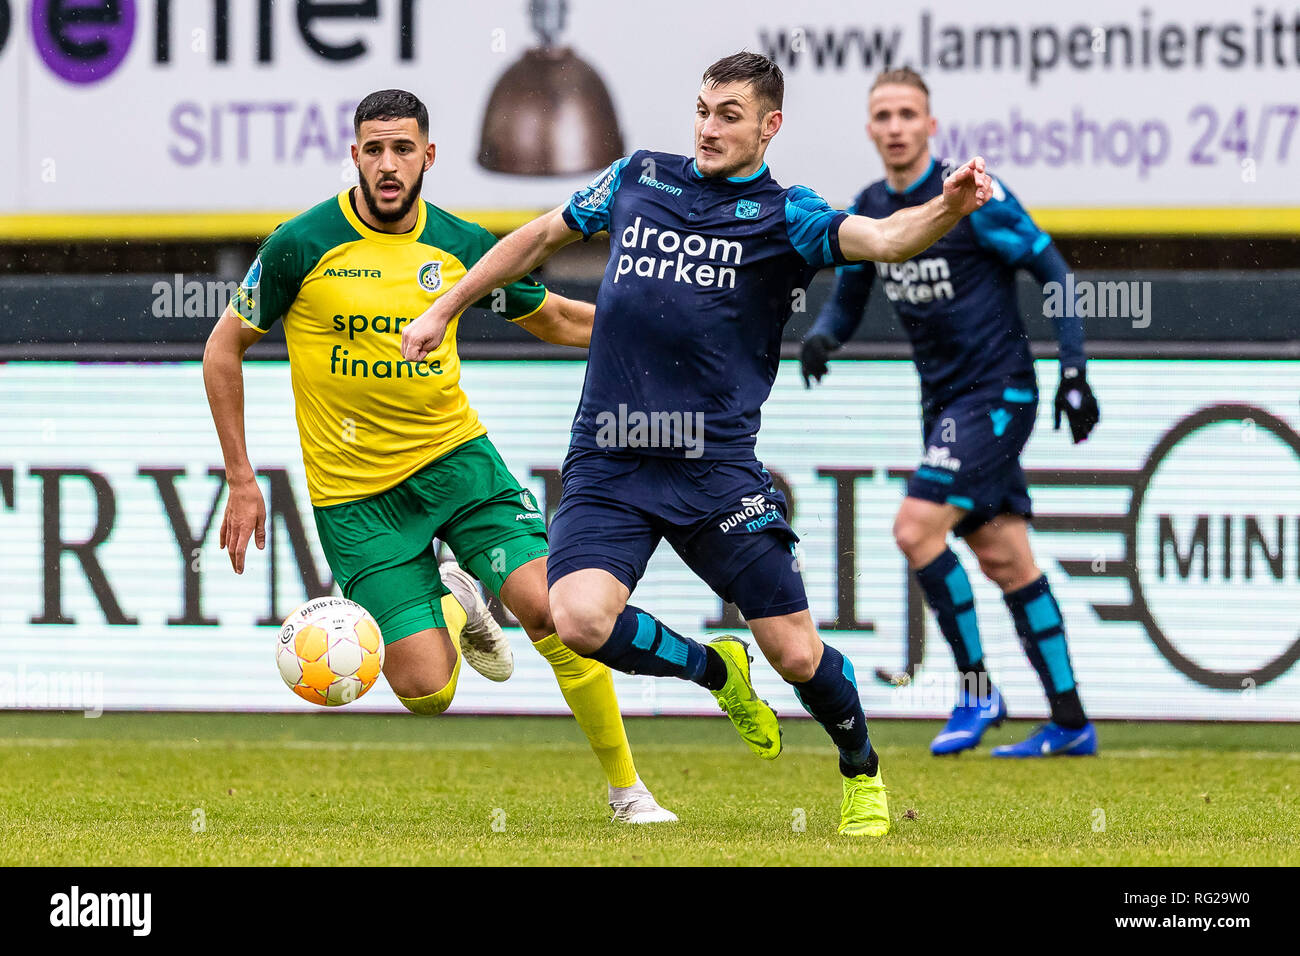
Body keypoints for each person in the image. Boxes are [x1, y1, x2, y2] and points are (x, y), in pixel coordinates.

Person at [399, 54, 992, 835]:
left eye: (730, 115)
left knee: (798, 655)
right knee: (576, 618)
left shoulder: (789, 214)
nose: (709, 128)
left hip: (716, 471)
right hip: (610, 457)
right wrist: (447, 308)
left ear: (769, 126)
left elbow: (884, 239)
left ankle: (862, 773)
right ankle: (716, 669)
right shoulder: (641, 175)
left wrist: (947, 209)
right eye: (704, 110)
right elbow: (539, 236)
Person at [203, 88, 676, 824]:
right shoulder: (300, 243)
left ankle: (628, 792)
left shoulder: (460, 245)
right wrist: (241, 475)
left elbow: (550, 317)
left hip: (456, 465)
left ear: (428, 155)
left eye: (402, 149)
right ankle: (458, 606)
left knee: (551, 611)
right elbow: (222, 348)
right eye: (373, 149)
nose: (388, 165)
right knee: (428, 692)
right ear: (353, 154)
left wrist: (655, 334)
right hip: (356, 501)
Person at [801, 68, 1101, 758]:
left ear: (931, 127)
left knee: (914, 528)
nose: (898, 125)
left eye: (910, 113)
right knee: (1005, 557)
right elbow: (851, 293)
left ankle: (975, 690)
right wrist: (823, 336)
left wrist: (1075, 372)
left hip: (999, 397)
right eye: (884, 114)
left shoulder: (972, 197)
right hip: (944, 406)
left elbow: (1054, 271)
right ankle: (1070, 721)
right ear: (871, 129)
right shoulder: (874, 207)